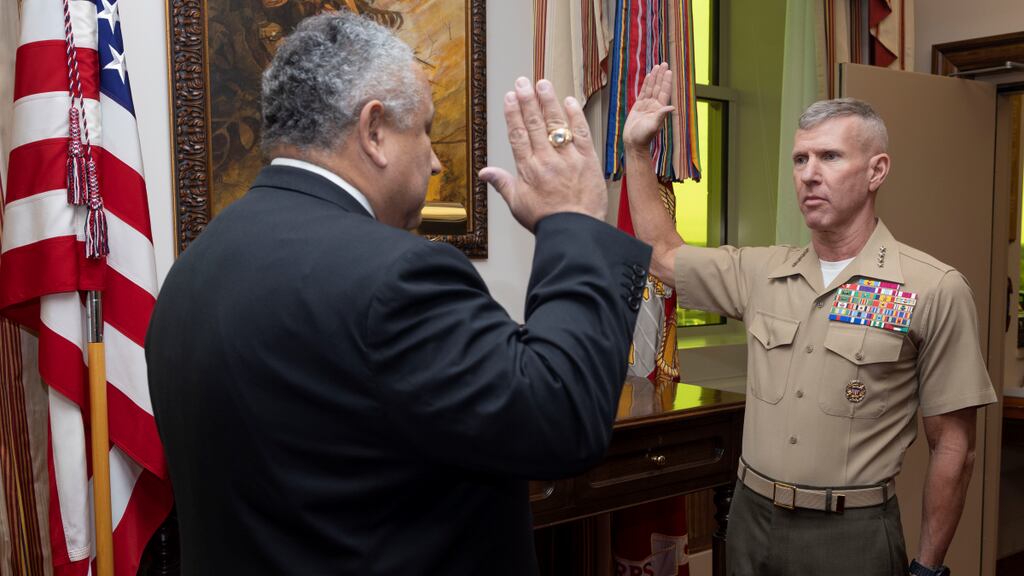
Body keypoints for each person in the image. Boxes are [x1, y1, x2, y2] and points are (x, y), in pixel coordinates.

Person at [145, 12, 651, 575]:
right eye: (427, 130)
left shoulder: (192, 270)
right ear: (375, 130)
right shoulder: (397, 278)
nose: (436, 160)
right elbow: (563, 419)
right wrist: (574, 223)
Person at [622, 64, 997, 576]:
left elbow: (954, 445)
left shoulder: (932, 287)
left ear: (876, 171)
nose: (809, 173)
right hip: (751, 520)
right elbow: (660, 253)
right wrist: (637, 152)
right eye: (800, 158)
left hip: (852, 536)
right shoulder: (762, 271)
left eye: (829, 156)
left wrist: (929, 566)